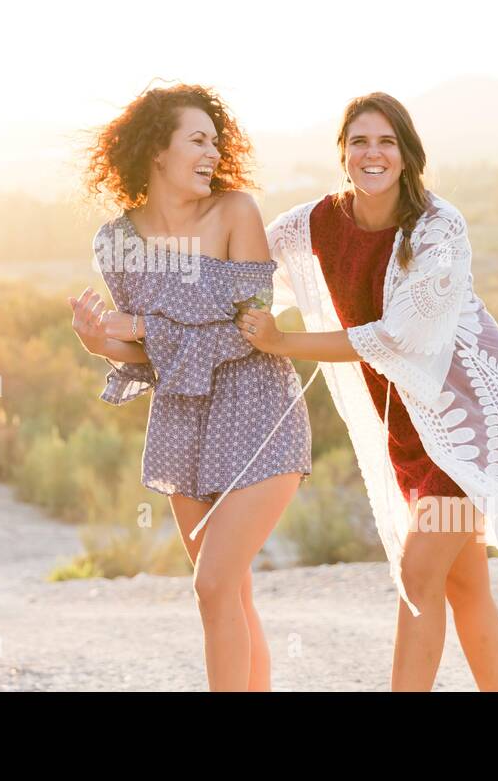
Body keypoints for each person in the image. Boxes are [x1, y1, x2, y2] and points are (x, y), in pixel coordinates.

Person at [238, 92, 498, 691]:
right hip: (408, 428)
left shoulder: (437, 226)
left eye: (387, 142)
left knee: (417, 575)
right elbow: (249, 266)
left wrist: (282, 342)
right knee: (462, 585)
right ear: (343, 154)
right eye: (360, 141)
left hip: (471, 419)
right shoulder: (315, 224)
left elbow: (401, 338)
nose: (373, 153)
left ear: (407, 156)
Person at [68, 82, 312, 691]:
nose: (212, 152)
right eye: (197, 140)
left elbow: (253, 333)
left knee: (212, 583)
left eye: (215, 141)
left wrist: (145, 325)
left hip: (261, 409)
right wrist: (105, 343)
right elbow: (154, 356)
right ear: (157, 150)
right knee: (228, 593)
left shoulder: (236, 213)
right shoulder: (116, 243)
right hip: (183, 423)